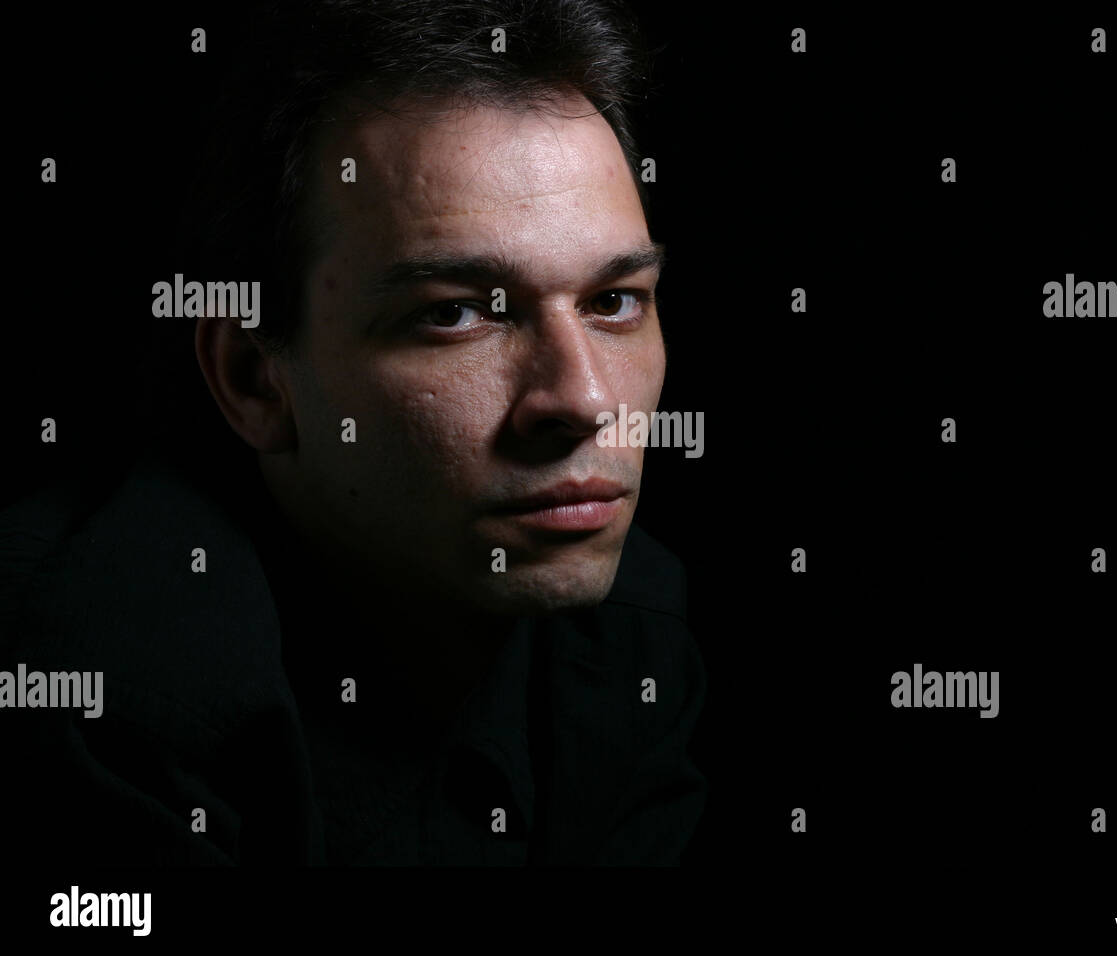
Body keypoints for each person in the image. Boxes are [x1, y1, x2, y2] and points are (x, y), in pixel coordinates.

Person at [0, 0, 706, 866]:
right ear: (255, 379)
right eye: (454, 314)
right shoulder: (93, 695)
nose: (587, 399)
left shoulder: (631, 630)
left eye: (612, 302)